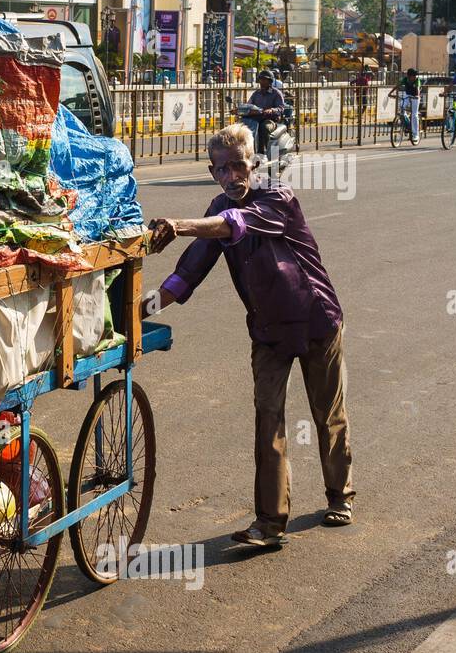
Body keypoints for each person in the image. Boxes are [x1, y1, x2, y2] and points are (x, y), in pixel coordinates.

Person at [144, 123, 355, 546]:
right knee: (268, 420)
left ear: (254, 163)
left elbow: (233, 225)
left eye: (239, 166)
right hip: (269, 332)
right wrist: (139, 311)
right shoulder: (218, 207)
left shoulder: (277, 198)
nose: (232, 176)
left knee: (327, 415)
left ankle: (340, 495)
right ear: (212, 171)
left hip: (316, 320)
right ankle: (270, 524)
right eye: (222, 169)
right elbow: (188, 272)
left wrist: (181, 224)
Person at [243, 69, 285, 156]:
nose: (262, 81)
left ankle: (271, 154)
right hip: (255, 120)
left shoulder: (276, 93)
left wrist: (272, 110)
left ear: (270, 81)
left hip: (270, 120)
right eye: (261, 79)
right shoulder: (256, 93)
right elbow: (249, 104)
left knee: (264, 128)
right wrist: (239, 109)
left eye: (264, 79)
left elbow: (281, 108)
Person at [388, 67, 421, 141]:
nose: (415, 76)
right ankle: (408, 124)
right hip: (408, 95)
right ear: (409, 76)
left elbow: (418, 88)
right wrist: (390, 93)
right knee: (401, 108)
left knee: (414, 114)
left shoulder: (417, 80)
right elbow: (397, 86)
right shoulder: (405, 79)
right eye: (414, 75)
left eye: (415, 75)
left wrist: (417, 96)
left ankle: (415, 135)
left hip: (415, 97)